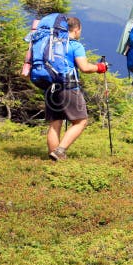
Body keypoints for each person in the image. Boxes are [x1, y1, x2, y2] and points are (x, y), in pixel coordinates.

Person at [46, 16, 107, 161]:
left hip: (50, 87)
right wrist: (100, 67)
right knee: (81, 121)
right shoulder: (75, 45)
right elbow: (84, 67)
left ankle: (53, 158)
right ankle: (60, 151)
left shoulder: (51, 43)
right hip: (69, 87)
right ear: (77, 29)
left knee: (55, 123)